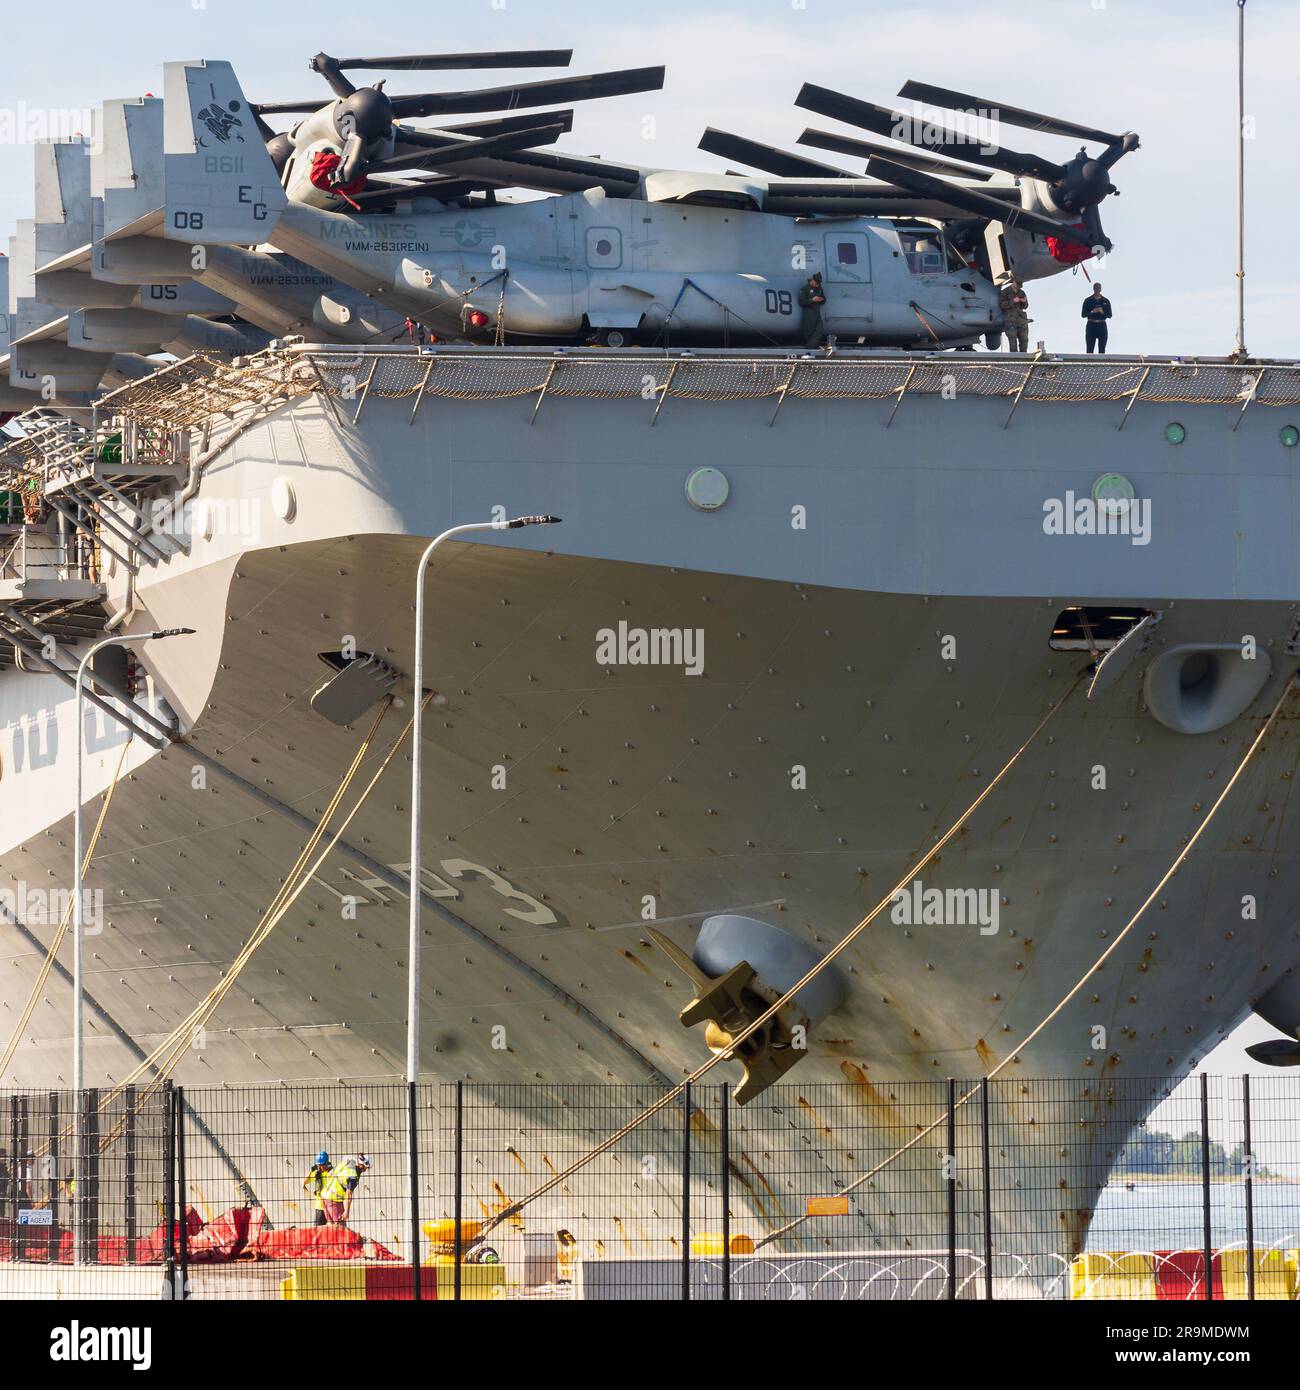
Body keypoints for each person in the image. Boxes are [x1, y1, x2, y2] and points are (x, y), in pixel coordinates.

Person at [319, 1152, 370, 1227]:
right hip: (333, 1201)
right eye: (366, 1168)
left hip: (324, 1197)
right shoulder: (353, 1176)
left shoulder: (347, 1164)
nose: (366, 1170)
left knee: (331, 1227)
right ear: (363, 1166)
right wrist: (347, 1211)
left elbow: (329, 1174)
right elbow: (348, 1194)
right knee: (341, 1228)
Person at [998, 277, 1030, 351]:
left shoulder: (1021, 292)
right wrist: (1013, 301)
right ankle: (1015, 359)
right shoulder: (1005, 292)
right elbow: (1001, 305)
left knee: (1024, 339)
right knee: (1012, 340)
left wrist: (1024, 301)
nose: (1018, 286)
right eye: (1017, 284)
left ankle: (1023, 357)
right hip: (1010, 318)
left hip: (1021, 318)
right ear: (1013, 282)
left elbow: (1026, 306)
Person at [303, 1149, 331, 1227]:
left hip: (330, 1205)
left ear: (326, 1163)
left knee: (330, 1229)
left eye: (322, 1165)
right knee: (317, 1230)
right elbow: (304, 1182)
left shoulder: (332, 1172)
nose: (321, 1167)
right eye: (319, 1165)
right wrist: (311, 1171)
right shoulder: (316, 1173)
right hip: (320, 1206)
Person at [798, 272, 826, 347]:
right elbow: (801, 302)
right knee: (809, 332)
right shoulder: (805, 288)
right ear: (812, 280)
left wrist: (821, 299)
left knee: (820, 329)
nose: (817, 285)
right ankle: (810, 348)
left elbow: (824, 299)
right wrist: (812, 300)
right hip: (809, 313)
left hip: (817, 312)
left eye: (818, 283)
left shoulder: (819, 288)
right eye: (816, 283)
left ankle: (810, 346)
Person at [1082, 282, 1112, 353]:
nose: (1097, 290)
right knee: (1089, 348)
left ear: (1101, 289)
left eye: (1098, 288)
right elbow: (1083, 314)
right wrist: (1092, 311)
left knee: (1102, 349)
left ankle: (1101, 364)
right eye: (1096, 288)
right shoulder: (1088, 300)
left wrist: (1102, 312)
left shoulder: (1105, 301)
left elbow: (1109, 315)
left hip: (1102, 325)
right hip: (1091, 325)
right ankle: (1089, 363)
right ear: (1093, 289)